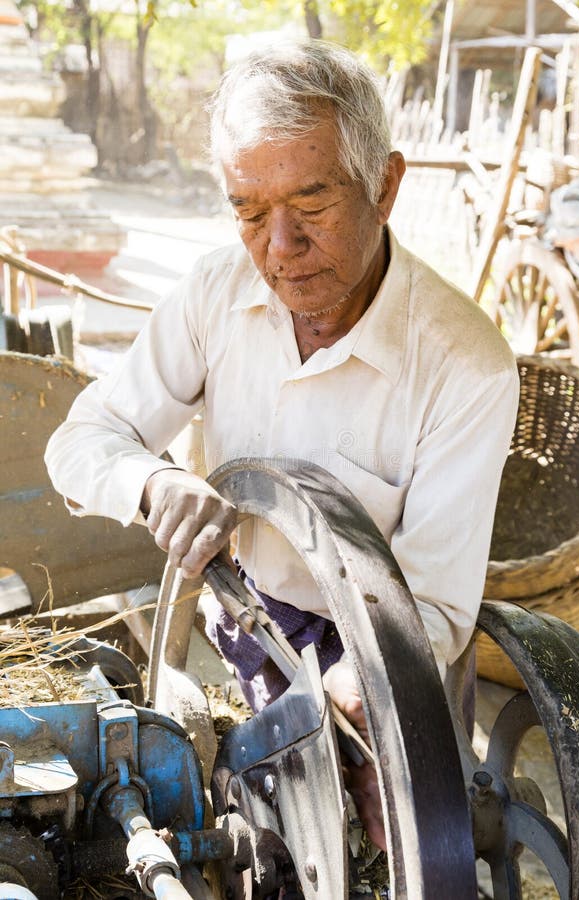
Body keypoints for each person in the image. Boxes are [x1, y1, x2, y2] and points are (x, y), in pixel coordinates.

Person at [45, 40, 519, 852]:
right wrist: (155, 483)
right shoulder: (214, 296)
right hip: (253, 623)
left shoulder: (463, 364)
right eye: (249, 211)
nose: (279, 246)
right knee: (256, 837)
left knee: (399, 849)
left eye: (313, 203)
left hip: (388, 658)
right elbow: (81, 440)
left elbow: (433, 608)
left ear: (386, 187)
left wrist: (346, 697)